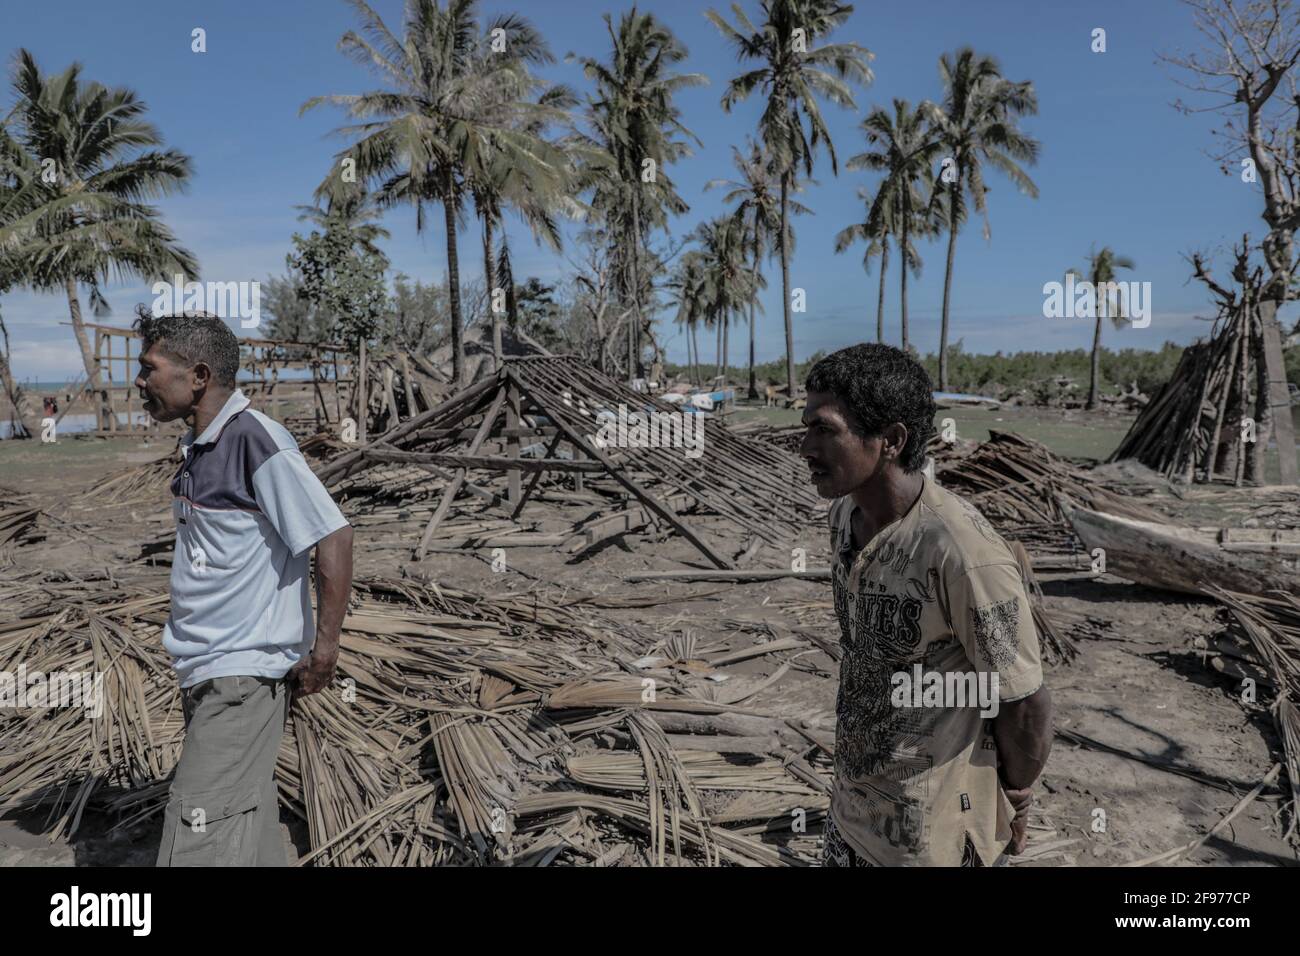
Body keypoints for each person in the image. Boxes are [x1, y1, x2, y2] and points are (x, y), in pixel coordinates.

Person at [800, 343, 1052, 866]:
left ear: (890, 440)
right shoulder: (846, 519)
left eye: (824, 430)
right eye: (808, 427)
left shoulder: (962, 552)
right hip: (852, 809)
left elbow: (1022, 700)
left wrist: (1017, 795)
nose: (805, 446)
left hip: (929, 835)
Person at [134, 311, 353, 866]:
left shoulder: (255, 440)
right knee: (247, 835)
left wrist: (324, 649)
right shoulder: (201, 445)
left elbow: (331, 534)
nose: (139, 381)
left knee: (196, 838)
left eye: (149, 368)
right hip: (209, 670)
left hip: (239, 677)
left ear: (199, 375)